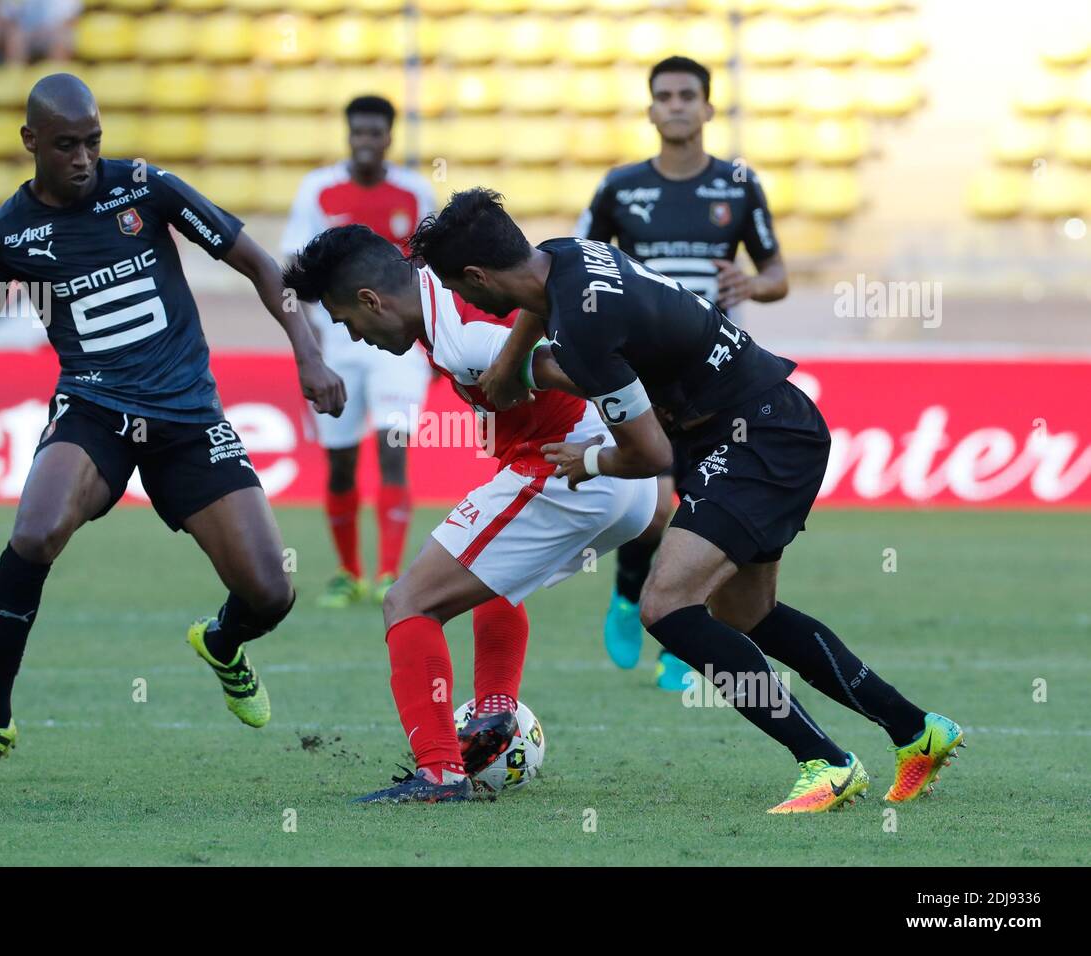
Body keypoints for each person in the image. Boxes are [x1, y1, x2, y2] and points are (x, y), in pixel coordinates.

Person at [0, 74, 346, 785]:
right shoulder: (9, 237)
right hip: (94, 411)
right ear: (31, 143)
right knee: (33, 531)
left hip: (187, 417)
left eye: (93, 141)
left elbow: (259, 263)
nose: (83, 157)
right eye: (67, 144)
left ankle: (222, 643)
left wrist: (309, 352)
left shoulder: (145, 188)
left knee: (271, 592)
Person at [408, 188, 963, 812]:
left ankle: (828, 763)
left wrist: (586, 460)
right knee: (745, 614)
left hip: (755, 436)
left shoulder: (585, 328)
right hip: (761, 420)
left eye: (461, 289)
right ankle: (916, 731)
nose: (465, 304)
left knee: (667, 606)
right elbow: (537, 315)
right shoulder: (563, 256)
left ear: (478, 278)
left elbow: (648, 456)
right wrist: (511, 368)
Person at [282, 224, 662, 803]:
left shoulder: (460, 337)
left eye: (346, 322)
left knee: (407, 601)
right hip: (615, 484)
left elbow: (583, 367)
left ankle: (440, 773)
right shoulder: (450, 295)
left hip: (573, 470)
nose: (354, 338)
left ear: (370, 301)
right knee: (494, 582)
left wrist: (637, 437)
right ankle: (492, 717)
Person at [578, 56, 789, 684]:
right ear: (650, 110)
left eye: (686, 95)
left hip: (718, 374)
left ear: (707, 108)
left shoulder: (738, 185)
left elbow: (778, 274)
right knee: (653, 505)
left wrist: (753, 281)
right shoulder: (619, 188)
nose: (675, 105)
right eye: (664, 95)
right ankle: (626, 593)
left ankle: (679, 640)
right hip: (639, 372)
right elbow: (577, 263)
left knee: (704, 503)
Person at [282, 96, 435, 608]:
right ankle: (348, 573)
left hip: (398, 346)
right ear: (348, 134)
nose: (366, 142)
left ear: (390, 136)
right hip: (336, 343)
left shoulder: (415, 192)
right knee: (341, 463)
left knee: (394, 451)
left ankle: (390, 573)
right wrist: (311, 348)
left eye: (376, 133)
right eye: (358, 133)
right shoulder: (318, 190)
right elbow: (294, 277)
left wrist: (432, 346)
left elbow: (430, 272)